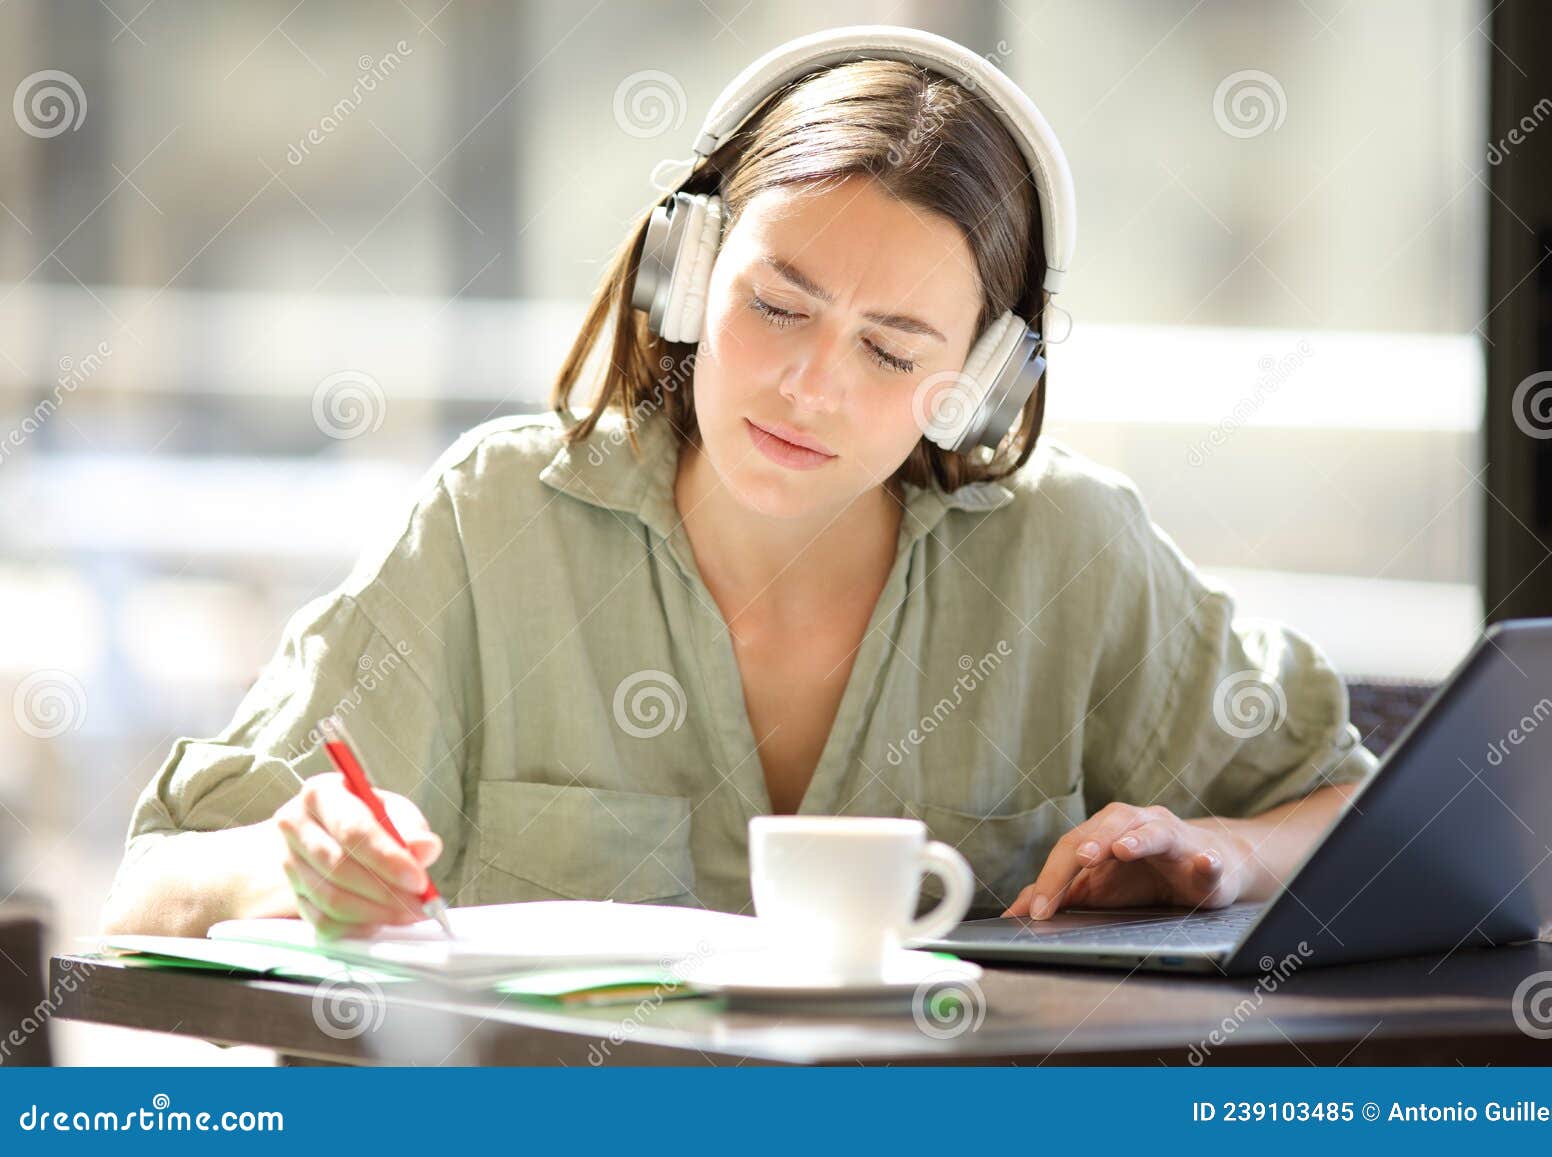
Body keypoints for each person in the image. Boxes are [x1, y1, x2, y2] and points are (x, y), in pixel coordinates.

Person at [101, 27, 1377, 942]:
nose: (810, 386)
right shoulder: (495, 522)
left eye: (890, 348)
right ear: (687, 271)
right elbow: (147, 885)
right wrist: (287, 858)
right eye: (777, 305)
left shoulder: (1071, 558)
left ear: (978, 384)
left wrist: (1225, 855)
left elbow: (1362, 809)